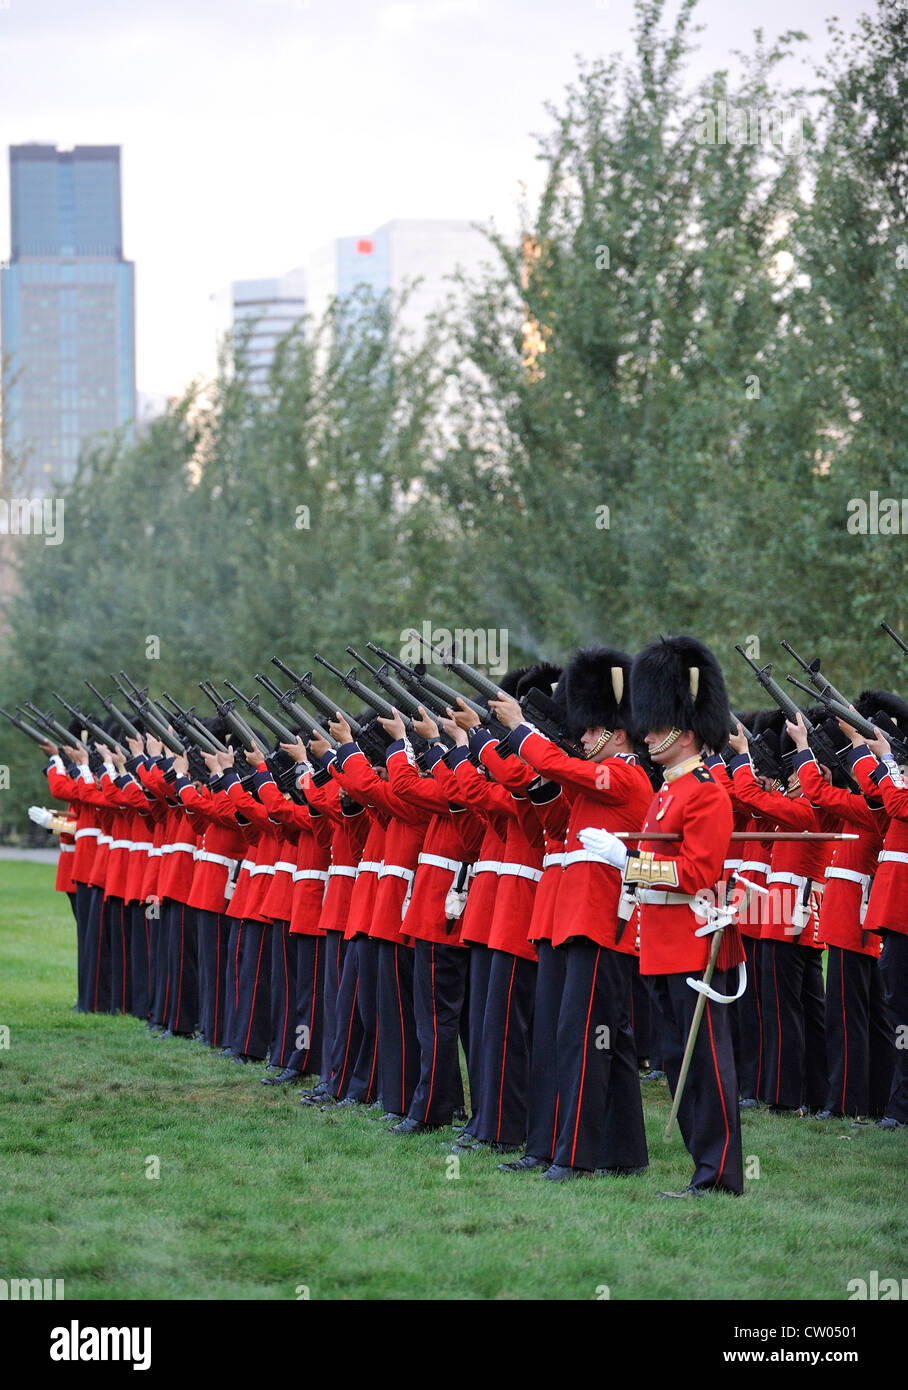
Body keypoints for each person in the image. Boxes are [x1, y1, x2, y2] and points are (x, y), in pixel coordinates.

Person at [581, 635, 744, 1197]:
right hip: (660, 942)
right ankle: (705, 1167)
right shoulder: (663, 794)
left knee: (706, 1064)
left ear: (687, 726)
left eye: (656, 724)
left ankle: (720, 1174)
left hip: (693, 942)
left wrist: (625, 861)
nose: (646, 732)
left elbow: (696, 873)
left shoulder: (706, 793)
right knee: (679, 1060)